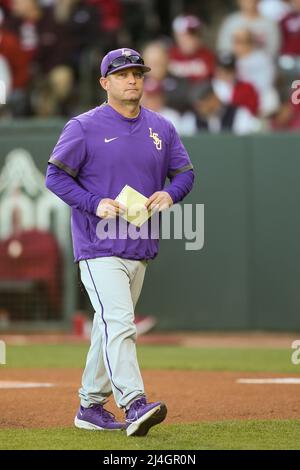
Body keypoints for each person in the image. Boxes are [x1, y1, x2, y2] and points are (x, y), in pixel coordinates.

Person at [45, 47, 195, 436]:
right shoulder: (83, 126)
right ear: (104, 82)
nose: (132, 80)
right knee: (120, 322)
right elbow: (55, 177)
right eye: (123, 74)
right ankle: (134, 403)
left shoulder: (161, 127)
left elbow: (184, 174)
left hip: (139, 244)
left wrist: (171, 194)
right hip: (98, 245)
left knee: (107, 327)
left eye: (138, 73)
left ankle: (90, 406)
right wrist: (94, 204)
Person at [192, 80, 262, 134]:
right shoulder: (195, 119)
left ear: (213, 99)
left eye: (201, 105)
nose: (198, 109)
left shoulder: (239, 114)